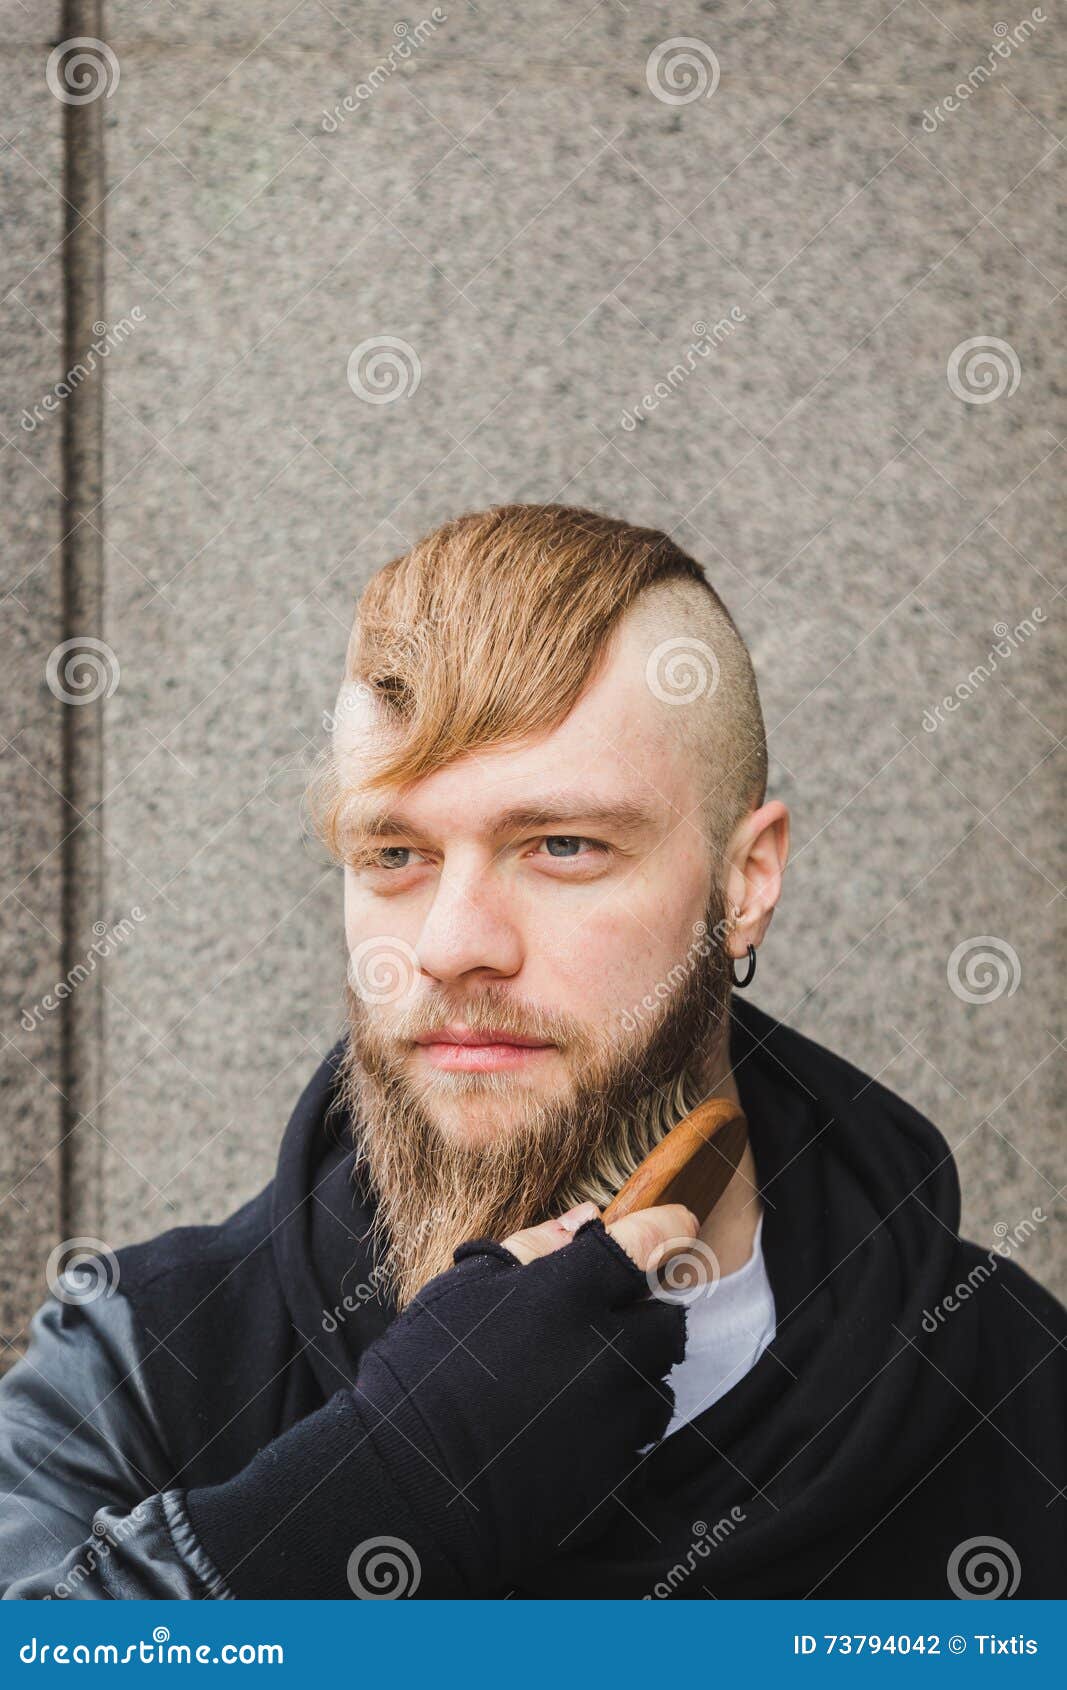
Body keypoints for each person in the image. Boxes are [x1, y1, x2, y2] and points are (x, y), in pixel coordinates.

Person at [1, 504, 1063, 1601]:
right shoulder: (138, 1358)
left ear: (743, 882)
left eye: (561, 845)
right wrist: (393, 1483)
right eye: (395, 852)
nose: (453, 943)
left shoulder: (1011, 1390)